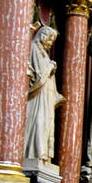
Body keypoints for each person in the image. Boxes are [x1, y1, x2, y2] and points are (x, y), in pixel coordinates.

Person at [23, 25, 63, 164]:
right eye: (50, 39)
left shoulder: (43, 53)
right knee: (39, 121)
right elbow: (38, 75)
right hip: (38, 95)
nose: (50, 43)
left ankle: (42, 153)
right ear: (43, 35)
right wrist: (51, 66)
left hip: (46, 95)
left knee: (46, 123)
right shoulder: (34, 48)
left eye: (52, 41)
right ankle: (36, 152)